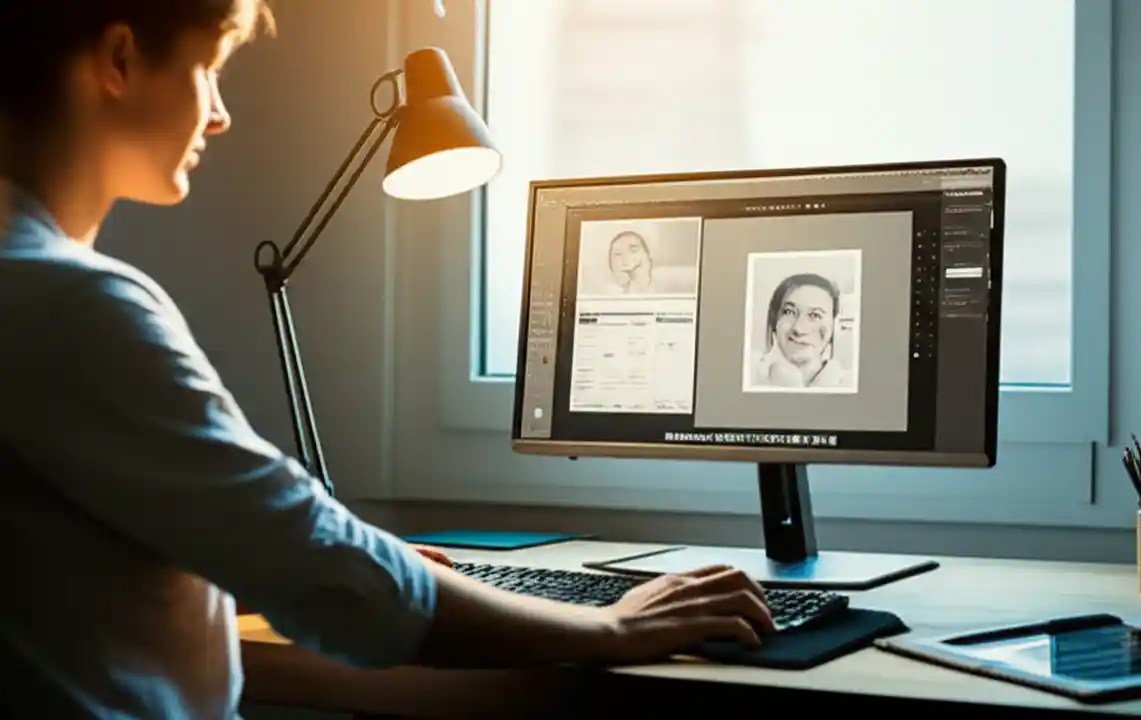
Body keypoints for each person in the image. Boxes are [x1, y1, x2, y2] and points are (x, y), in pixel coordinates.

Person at [0, 1, 772, 717]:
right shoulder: (72, 306)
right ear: (120, 58)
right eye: (208, 69)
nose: (223, 114)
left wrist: (303, 555)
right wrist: (609, 628)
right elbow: (328, 579)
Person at [752, 272, 850, 389]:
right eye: (789, 312)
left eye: (815, 315)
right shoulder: (752, 375)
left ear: (834, 324)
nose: (799, 328)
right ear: (774, 319)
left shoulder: (847, 383)